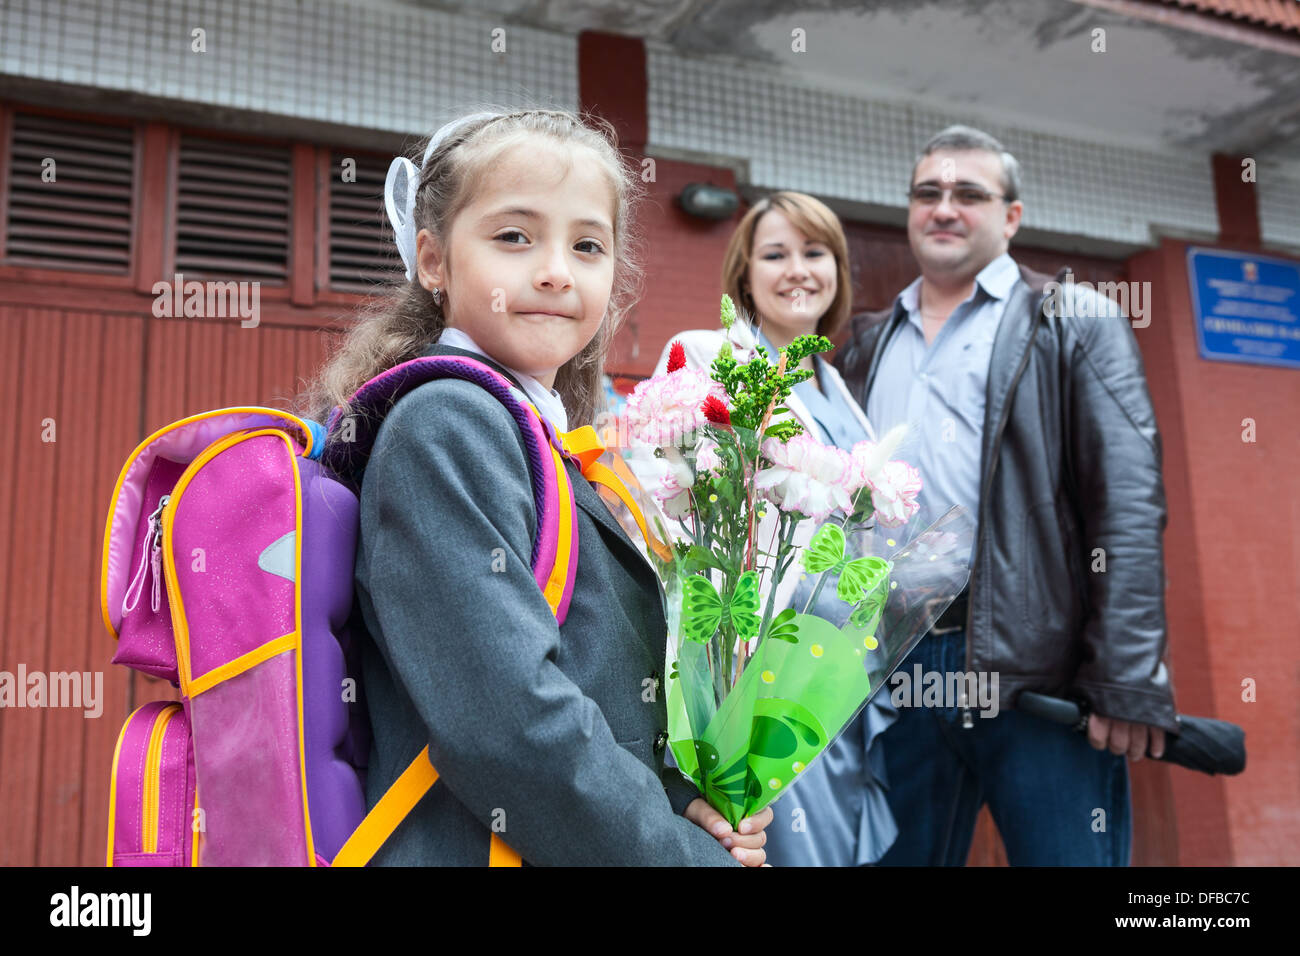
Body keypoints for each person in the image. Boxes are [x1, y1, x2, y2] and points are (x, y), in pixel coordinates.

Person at [297, 108, 772, 865]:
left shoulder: (540, 438)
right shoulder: (448, 424)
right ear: (433, 260)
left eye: (588, 244)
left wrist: (687, 803)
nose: (555, 269)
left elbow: (595, 689)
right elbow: (506, 724)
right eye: (514, 236)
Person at [835, 125, 1178, 866]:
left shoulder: (1075, 320)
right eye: (928, 193)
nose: (945, 209)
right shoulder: (864, 342)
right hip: (890, 674)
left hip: (1036, 673)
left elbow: (1127, 500)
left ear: (1011, 217)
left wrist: (1126, 671)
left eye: (969, 194)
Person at [651, 191, 900, 866]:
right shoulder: (704, 354)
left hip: (840, 663)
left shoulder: (836, 384)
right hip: (758, 662)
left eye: (815, 252)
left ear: (838, 270)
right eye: (775, 254)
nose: (798, 269)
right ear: (744, 273)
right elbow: (667, 493)